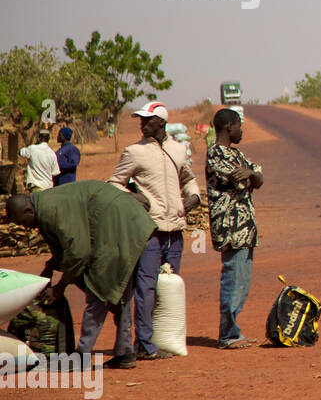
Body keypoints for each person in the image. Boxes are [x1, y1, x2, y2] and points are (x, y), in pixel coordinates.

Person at [5, 182, 155, 370]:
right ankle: (124, 353)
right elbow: (66, 246)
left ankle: (81, 356)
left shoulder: (50, 210)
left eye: (22, 223)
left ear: (28, 211)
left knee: (98, 292)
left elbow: (79, 253)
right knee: (119, 296)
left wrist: (59, 288)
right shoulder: (45, 206)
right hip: (128, 223)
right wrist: (50, 268)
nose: (25, 228)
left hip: (119, 227)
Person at [107, 101, 200, 359]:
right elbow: (114, 184)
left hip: (176, 230)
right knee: (145, 286)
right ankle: (145, 345)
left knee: (168, 286)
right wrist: (135, 198)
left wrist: (193, 197)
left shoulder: (178, 150)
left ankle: (161, 339)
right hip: (149, 230)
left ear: (161, 122)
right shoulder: (134, 152)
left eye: (147, 119)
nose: (142, 123)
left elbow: (189, 178)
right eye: (140, 119)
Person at [205, 108, 262, 349]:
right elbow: (243, 179)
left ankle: (233, 332)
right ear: (229, 127)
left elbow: (258, 177)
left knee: (242, 282)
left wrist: (252, 174)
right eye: (239, 125)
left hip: (245, 228)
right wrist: (251, 174)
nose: (242, 130)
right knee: (233, 279)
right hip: (231, 228)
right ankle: (227, 334)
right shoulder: (216, 155)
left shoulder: (236, 153)